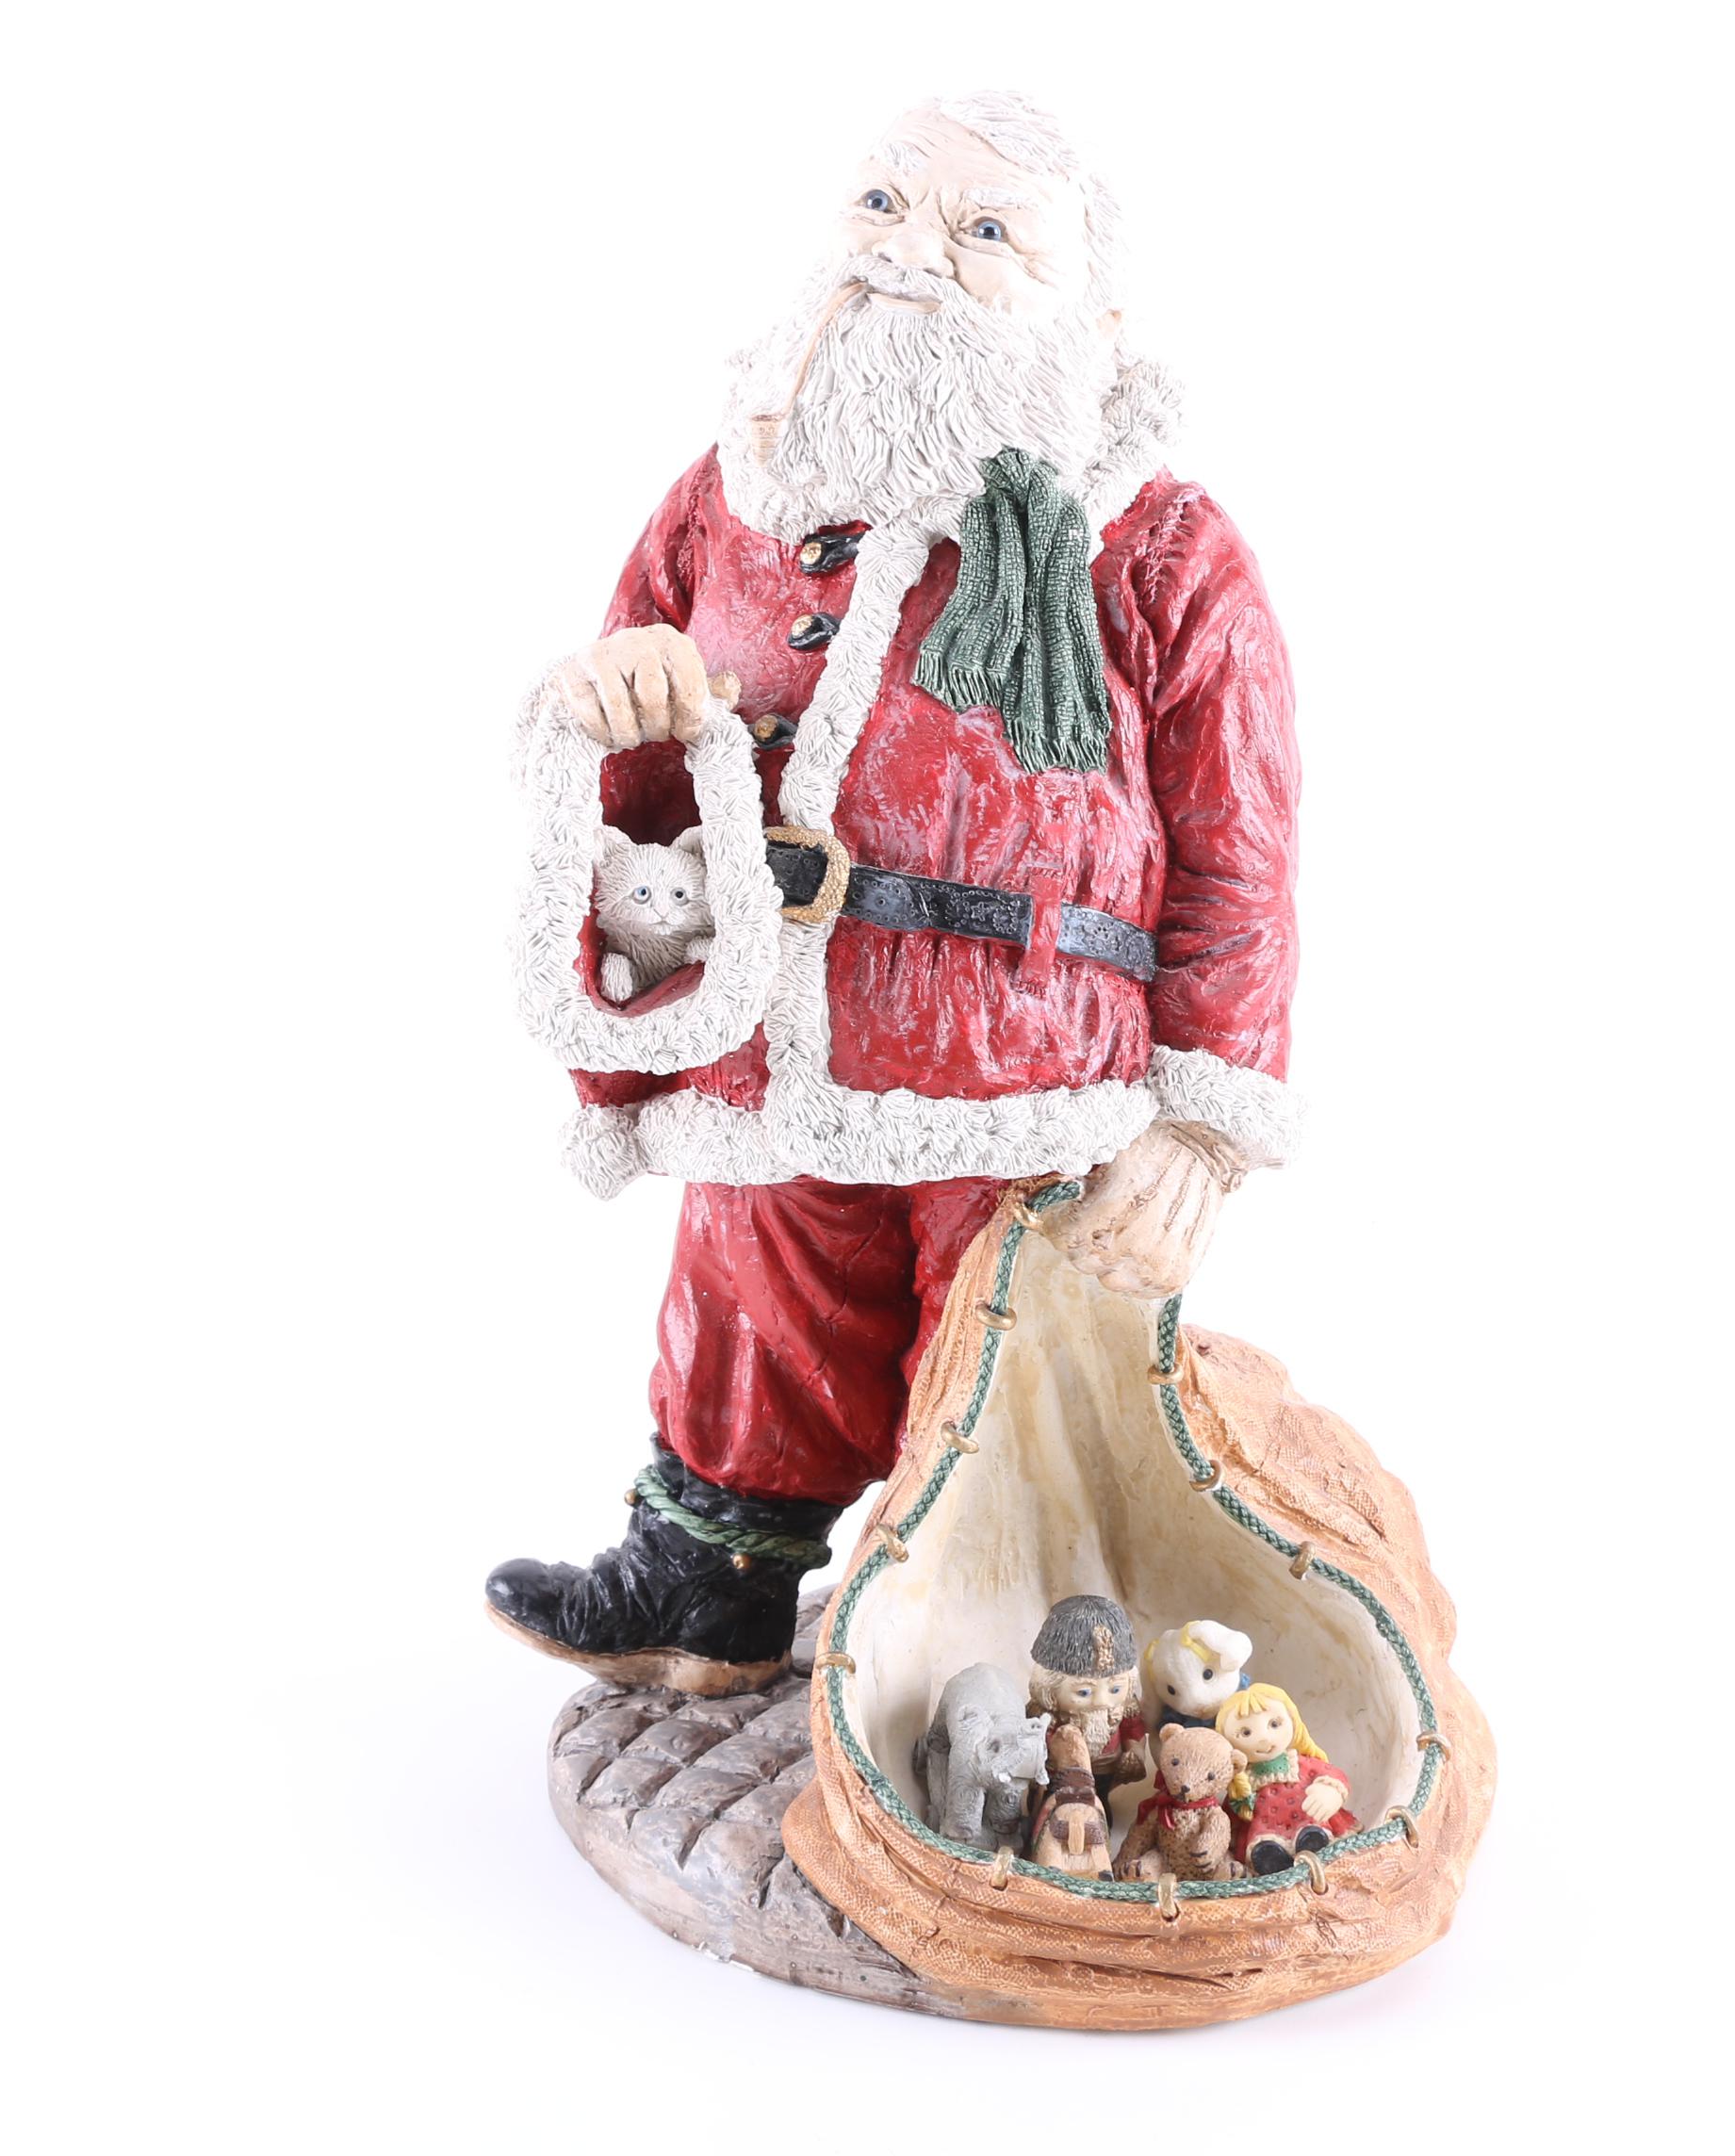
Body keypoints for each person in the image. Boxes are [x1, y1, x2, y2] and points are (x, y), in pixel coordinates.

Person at [486, 91, 1302, 1694]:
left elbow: (1242, 847)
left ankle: (976, 1669)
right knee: (747, 1303)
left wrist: (1206, 1120)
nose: (911, 252)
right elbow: (631, 764)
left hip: (1029, 1083)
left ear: (1092, 319)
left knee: (1003, 1370)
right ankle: (705, 1582)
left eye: (986, 231)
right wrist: (613, 704)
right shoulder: (732, 499)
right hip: (770, 1051)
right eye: (882, 205)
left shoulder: (1158, 549)